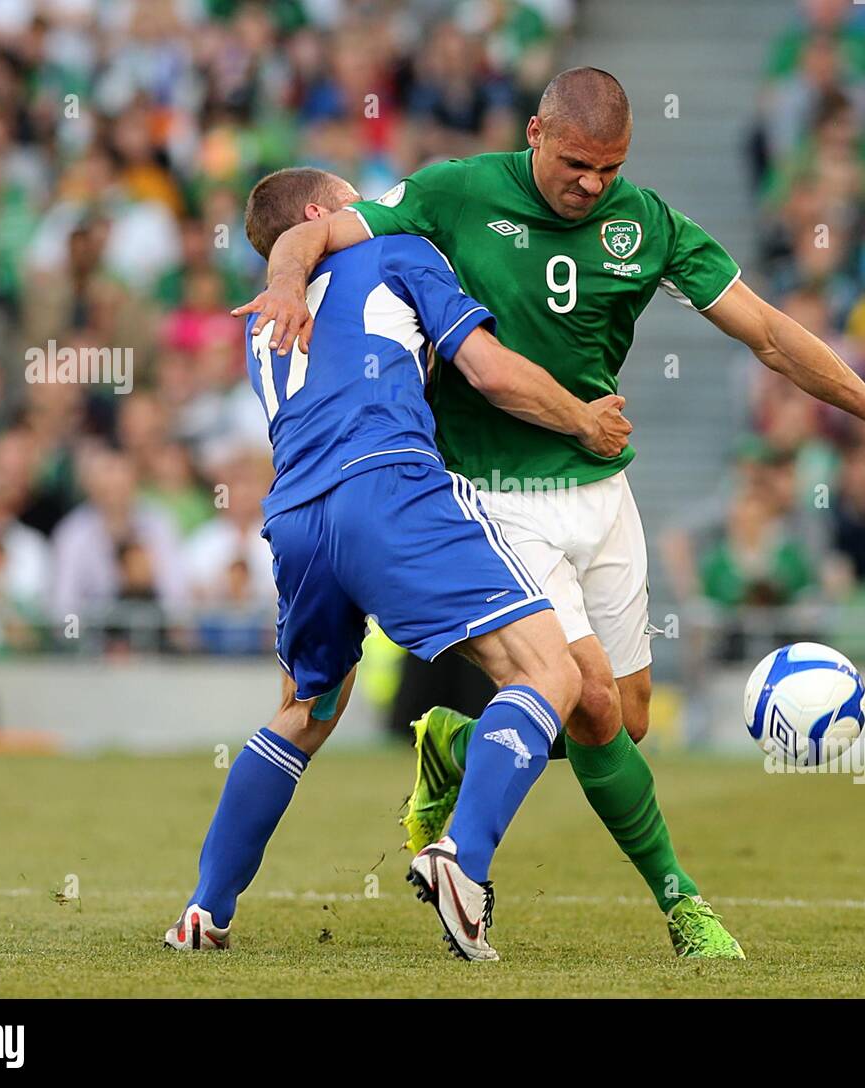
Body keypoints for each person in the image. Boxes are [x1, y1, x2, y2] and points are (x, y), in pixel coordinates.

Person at [235, 68, 865, 956]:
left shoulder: (646, 224)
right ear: (537, 133)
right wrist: (279, 281)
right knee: (589, 710)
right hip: (495, 494)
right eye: (577, 163)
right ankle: (684, 906)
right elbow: (317, 234)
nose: (591, 184)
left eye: (609, 169)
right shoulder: (453, 192)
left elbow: (769, 333)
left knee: (628, 715)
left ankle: (453, 751)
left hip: (600, 487)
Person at [165, 166, 633, 961]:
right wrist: (582, 420)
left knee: (305, 711)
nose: (374, 204)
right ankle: (463, 859)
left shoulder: (260, 325)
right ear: (324, 213)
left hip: (295, 518)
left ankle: (205, 910)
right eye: (358, 196)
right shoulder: (395, 252)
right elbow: (485, 371)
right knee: (548, 676)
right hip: (388, 488)